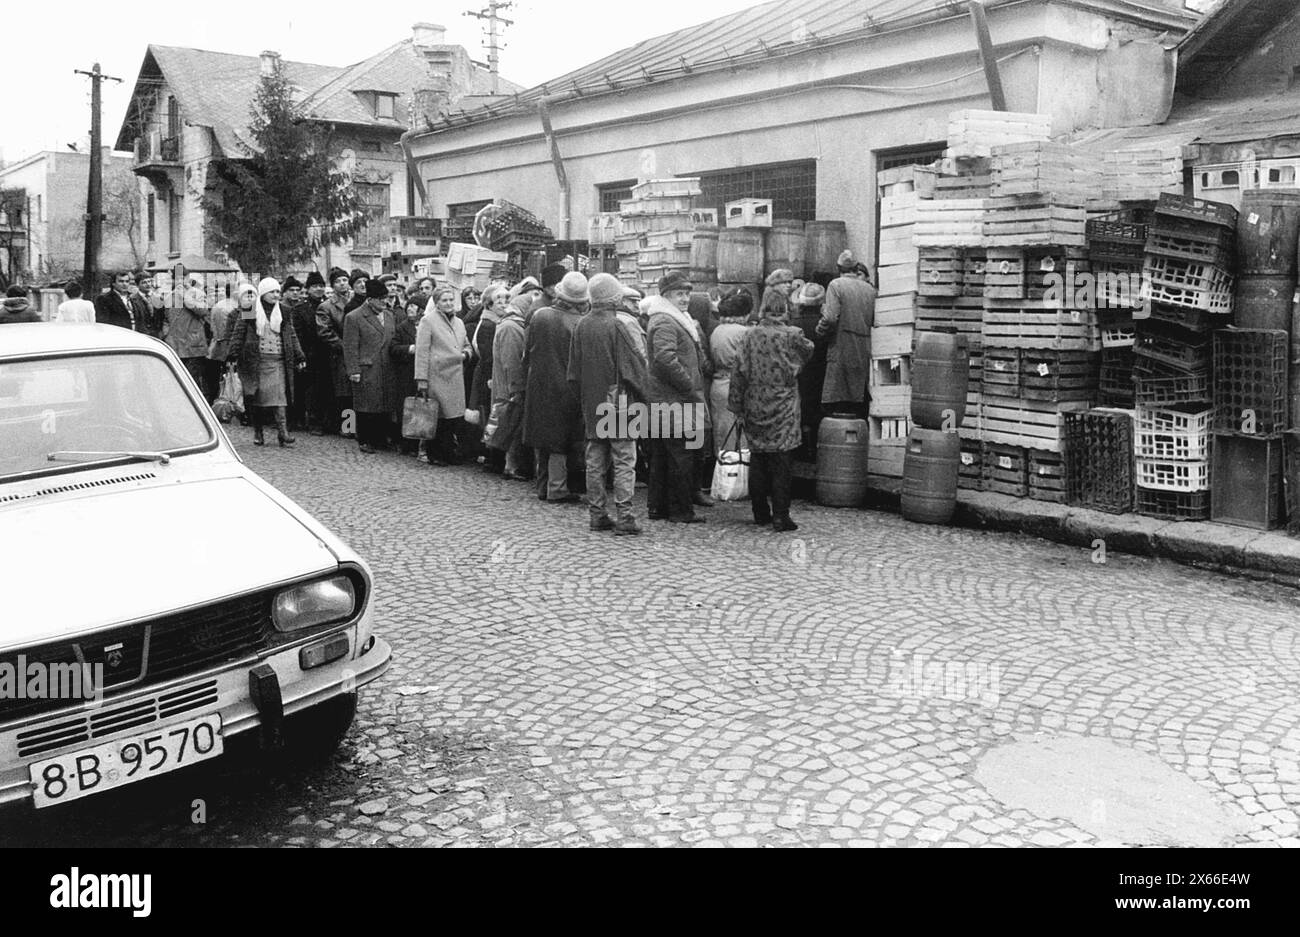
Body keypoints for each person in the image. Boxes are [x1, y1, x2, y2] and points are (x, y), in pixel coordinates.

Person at [568, 273, 649, 535]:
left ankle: (597, 514)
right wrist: (647, 397)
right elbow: (633, 369)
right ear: (615, 296)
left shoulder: (582, 325)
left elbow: (573, 372)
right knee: (625, 459)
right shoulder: (618, 325)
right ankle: (625, 516)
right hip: (619, 401)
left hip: (591, 401)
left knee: (595, 460)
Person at [729, 291, 815, 532]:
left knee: (758, 457)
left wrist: (736, 406)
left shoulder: (748, 336)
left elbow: (738, 372)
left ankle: (760, 512)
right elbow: (809, 350)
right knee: (782, 460)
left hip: (754, 399)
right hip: (783, 403)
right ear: (785, 309)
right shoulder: (793, 336)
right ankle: (781, 515)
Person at [645, 271, 712, 524]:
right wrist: (688, 385)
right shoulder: (665, 321)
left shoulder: (673, 318)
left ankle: (659, 507)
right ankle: (680, 510)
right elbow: (664, 359)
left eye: (687, 293)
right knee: (680, 456)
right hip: (675, 399)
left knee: (665, 455)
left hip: (671, 398)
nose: (685, 299)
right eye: (679, 294)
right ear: (666, 296)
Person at [522, 272, 589, 504]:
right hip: (566, 388)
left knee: (544, 437)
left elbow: (526, 351)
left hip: (538, 383)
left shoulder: (540, 315)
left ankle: (543, 486)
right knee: (561, 439)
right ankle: (557, 488)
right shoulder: (579, 324)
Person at [225, 278, 307, 447]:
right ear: (263, 293)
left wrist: (299, 356)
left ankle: (283, 432)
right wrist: (232, 355)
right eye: (272, 292)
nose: (276, 295)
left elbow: (291, 334)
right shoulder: (250, 310)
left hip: (278, 361)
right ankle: (258, 431)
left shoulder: (284, 311)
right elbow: (239, 332)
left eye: (278, 292)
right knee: (256, 398)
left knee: (280, 397)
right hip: (256, 361)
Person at [414, 286, 472, 465]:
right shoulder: (428, 321)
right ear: (437, 303)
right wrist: (421, 379)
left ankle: (447, 452)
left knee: (453, 418)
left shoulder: (459, 322)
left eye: (450, 300)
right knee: (438, 416)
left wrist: (465, 355)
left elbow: (467, 344)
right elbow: (422, 351)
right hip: (436, 375)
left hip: (455, 375)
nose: (448, 304)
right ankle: (434, 453)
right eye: (444, 300)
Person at [818, 250, 876, 418]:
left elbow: (830, 318)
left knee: (835, 402)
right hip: (863, 349)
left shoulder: (836, 285)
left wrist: (819, 331)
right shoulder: (870, 290)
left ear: (839, 268)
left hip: (841, 347)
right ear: (855, 267)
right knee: (857, 401)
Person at [343, 278, 397, 454]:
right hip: (367, 367)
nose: (385, 302)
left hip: (387, 367)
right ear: (371, 299)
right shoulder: (355, 317)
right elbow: (350, 346)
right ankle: (365, 439)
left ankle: (381, 438)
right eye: (381, 299)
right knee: (366, 406)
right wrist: (353, 370)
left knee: (384, 404)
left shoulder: (390, 315)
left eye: (386, 298)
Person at [467, 284, 509, 474]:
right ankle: (491, 458)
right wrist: (492, 378)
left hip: (489, 375)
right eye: (498, 301)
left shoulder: (494, 322)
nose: (503, 304)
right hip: (487, 377)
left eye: (506, 300)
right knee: (490, 416)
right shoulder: (488, 325)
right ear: (489, 304)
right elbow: (488, 356)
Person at [488, 288, 529, 479]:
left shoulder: (512, 325)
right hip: (509, 387)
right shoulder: (511, 328)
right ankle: (510, 466)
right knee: (511, 425)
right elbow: (512, 362)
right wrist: (516, 388)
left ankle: (509, 464)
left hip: (508, 386)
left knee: (510, 424)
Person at [709, 288, 753, 458]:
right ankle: (738, 481)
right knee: (739, 441)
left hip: (718, 385)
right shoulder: (744, 333)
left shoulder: (717, 330)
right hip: (737, 387)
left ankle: (722, 478)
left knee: (722, 436)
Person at [316, 267, 355, 437]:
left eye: (345, 280)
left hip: (356, 352)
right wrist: (343, 345)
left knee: (355, 392)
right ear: (332, 285)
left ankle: (353, 426)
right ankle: (347, 427)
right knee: (344, 393)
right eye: (338, 281)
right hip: (339, 355)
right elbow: (325, 332)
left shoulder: (356, 301)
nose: (342, 284)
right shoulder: (326, 306)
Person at [388, 296, 424, 456]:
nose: (410, 309)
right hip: (406, 372)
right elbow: (393, 348)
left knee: (422, 408)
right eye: (409, 306)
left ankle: (420, 441)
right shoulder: (402, 327)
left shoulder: (427, 325)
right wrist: (410, 348)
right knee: (406, 408)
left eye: (414, 307)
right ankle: (406, 443)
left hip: (423, 372)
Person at [208, 283, 255, 404]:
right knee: (234, 381)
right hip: (234, 351)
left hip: (216, 347)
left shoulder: (217, 306)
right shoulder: (236, 310)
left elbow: (212, 327)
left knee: (222, 380)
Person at [166, 275, 211, 389]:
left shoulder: (197, 293)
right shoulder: (170, 295)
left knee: (192, 382)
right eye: (176, 278)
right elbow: (165, 318)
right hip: (175, 345)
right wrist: (166, 335)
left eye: (182, 277)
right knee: (176, 381)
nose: (180, 281)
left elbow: (203, 310)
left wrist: (186, 298)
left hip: (193, 346)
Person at [298, 272, 329, 434]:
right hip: (310, 355)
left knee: (327, 390)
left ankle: (333, 422)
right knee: (312, 391)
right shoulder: (301, 309)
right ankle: (314, 421)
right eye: (315, 286)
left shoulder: (329, 305)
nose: (319, 289)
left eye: (321, 286)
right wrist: (301, 356)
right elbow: (299, 335)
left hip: (328, 353)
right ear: (308, 289)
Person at [132, 273, 164, 338]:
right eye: (144, 282)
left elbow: (163, 316)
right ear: (137, 285)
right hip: (141, 335)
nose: (148, 284)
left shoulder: (158, 297)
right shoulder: (132, 299)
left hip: (157, 335)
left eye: (149, 281)